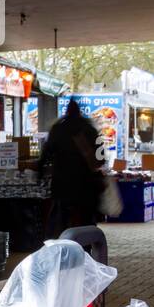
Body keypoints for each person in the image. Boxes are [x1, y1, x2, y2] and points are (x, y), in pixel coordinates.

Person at [39, 98, 104, 238]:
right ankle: (87, 247)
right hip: (86, 184)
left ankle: (63, 245)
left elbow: (45, 154)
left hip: (62, 184)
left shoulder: (57, 129)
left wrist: (39, 173)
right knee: (87, 218)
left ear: (67, 112)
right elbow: (101, 157)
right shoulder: (90, 129)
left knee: (61, 219)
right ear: (79, 112)